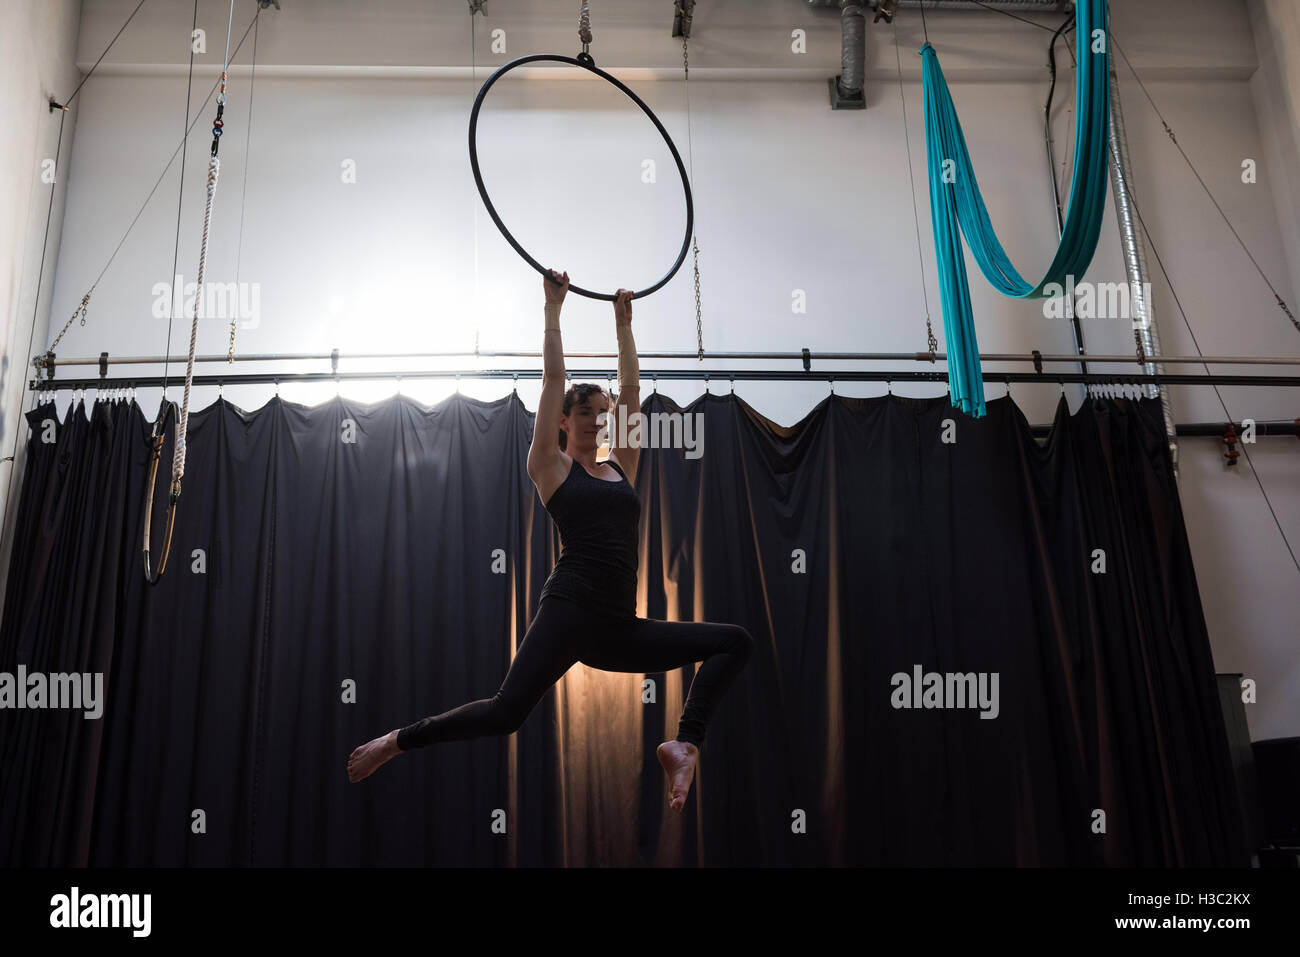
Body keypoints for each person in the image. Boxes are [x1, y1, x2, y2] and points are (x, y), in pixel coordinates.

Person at [348, 268, 754, 813]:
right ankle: (395, 741)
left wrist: (624, 327)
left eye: (600, 415)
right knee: (504, 714)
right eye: (583, 413)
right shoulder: (550, 467)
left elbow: (632, 394)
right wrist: (552, 309)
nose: (596, 421)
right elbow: (551, 379)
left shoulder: (622, 467)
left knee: (735, 641)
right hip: (569, 610)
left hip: (616, 627)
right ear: (563, 421)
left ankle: (684, 743)